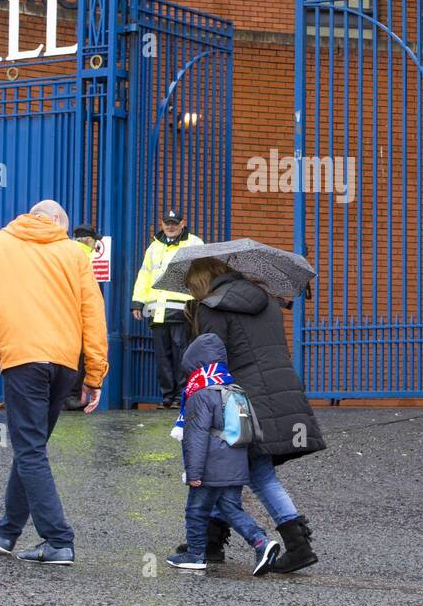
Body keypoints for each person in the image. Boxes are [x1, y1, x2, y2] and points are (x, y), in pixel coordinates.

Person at [0, 199, 108, 566]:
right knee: (31, 446)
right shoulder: (74, 254)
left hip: (23, 360)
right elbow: (94, 315)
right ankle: (7, 529)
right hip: (63, 364)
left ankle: (58, 539)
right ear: (56, 222)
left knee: (30, 448)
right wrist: (94, 374)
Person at [181, 257, 324, 573]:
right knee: (228, 467)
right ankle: (210, 541)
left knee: (257, 473)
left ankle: (298, 545)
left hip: (243, 397)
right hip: (280, 387)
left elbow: (212, 361)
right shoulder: (268, 301)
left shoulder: (212, 307)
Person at [166, 332, 280, 575]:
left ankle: (196, 554)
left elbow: (195, 438)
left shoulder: (200, 393)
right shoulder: (235, 389)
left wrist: (193, 473)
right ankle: (261, 542)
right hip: (236, 464)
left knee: (196, 510)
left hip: (210, 466)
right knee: (230, 508)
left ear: (194, 361)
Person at [131, 209, 203, 407]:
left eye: (174, 223)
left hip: (183, 310)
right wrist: (138, 302)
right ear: (162, 224)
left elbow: (202, 274)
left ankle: (181, 396)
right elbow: (144, 276)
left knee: (183, 355)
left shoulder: (195, 243)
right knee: (163, 357)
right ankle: (167, 397)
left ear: (183, 223)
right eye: (167, 223)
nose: (170, 226)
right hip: (158, 311)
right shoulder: (154, 247)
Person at [63, 224, 101, 412]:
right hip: (79, 314)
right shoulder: (87, 257)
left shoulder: (63, 253)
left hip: (62, 313)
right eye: (95, 241)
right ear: (88, 240)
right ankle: (73, 396)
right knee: (80, 356)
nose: (96, 246)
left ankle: (64, 396)